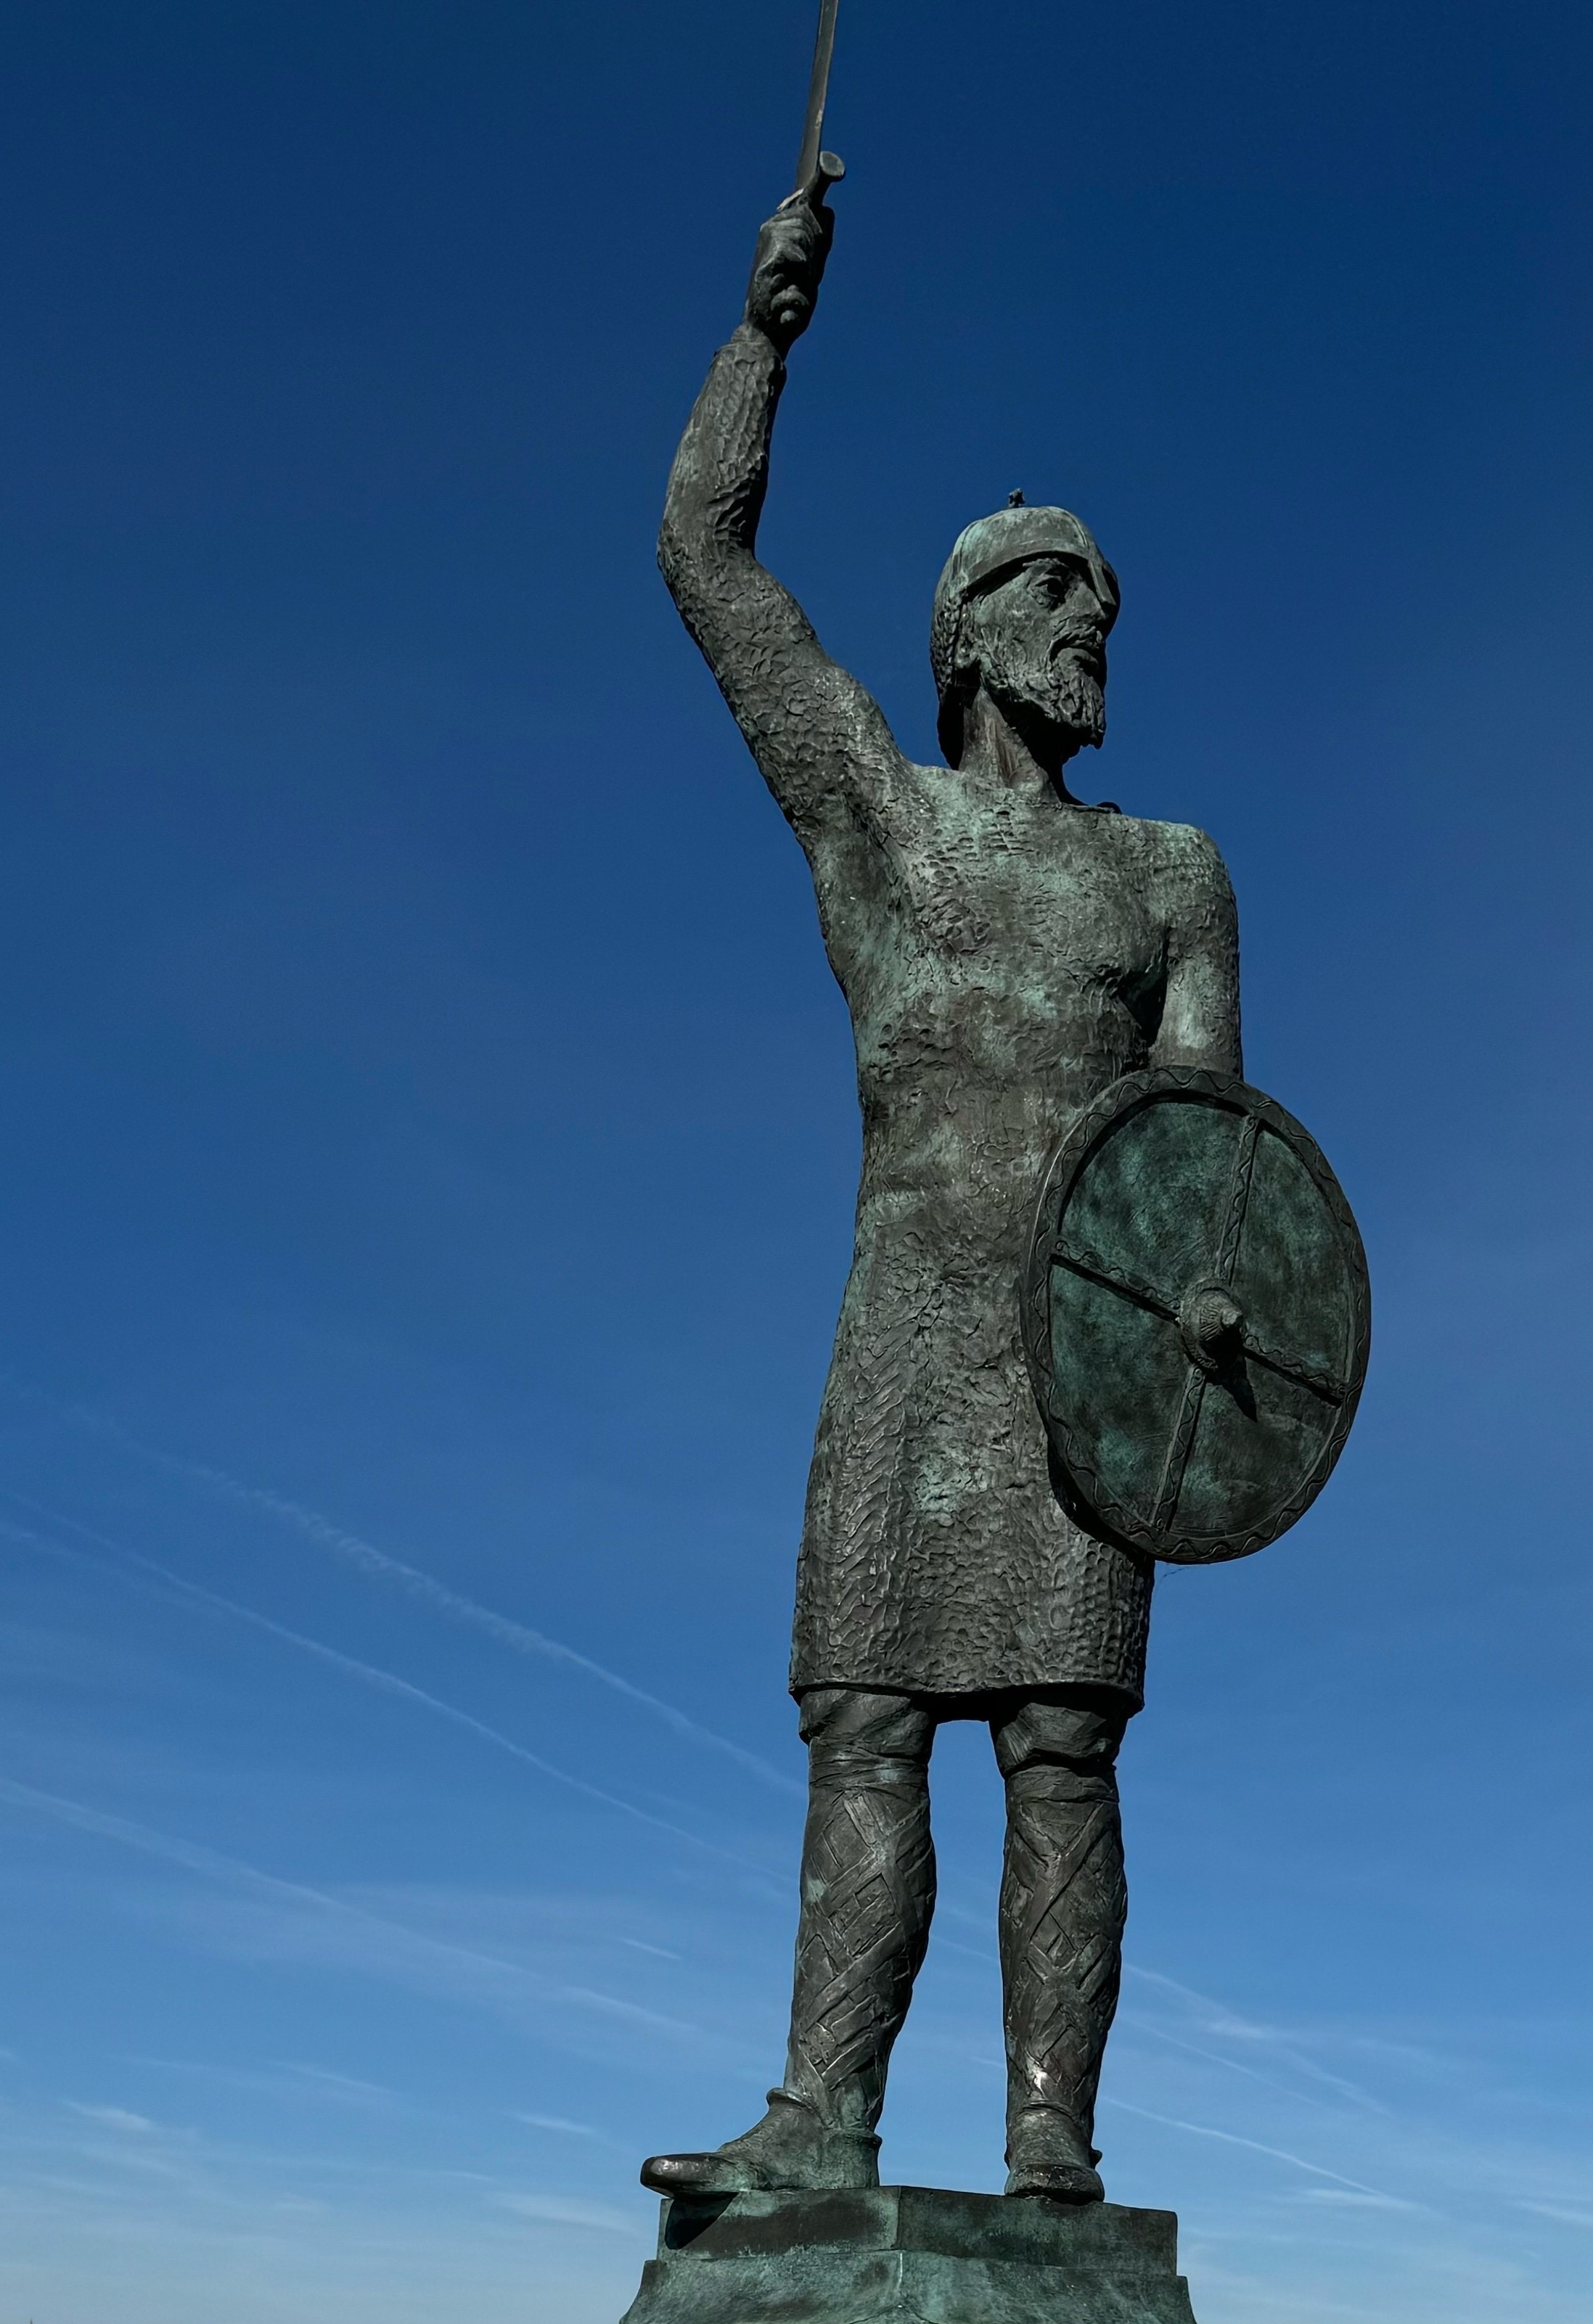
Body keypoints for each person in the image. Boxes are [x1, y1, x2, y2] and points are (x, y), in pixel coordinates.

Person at [635, 180, 1242, 2212]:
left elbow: (1205, 1166)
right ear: (973, 630)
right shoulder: (874, 826)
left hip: (1078, 1373)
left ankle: (1050, 2145)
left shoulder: (1165, 873)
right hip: (901, 1339)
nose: (1096, 632)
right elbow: (701, 558)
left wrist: (1206, 1345)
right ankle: (821, 2119)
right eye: (1064, 597)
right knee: (863, 1731)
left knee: (1058, 1756)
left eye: (1104, 611)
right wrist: (765, 335)